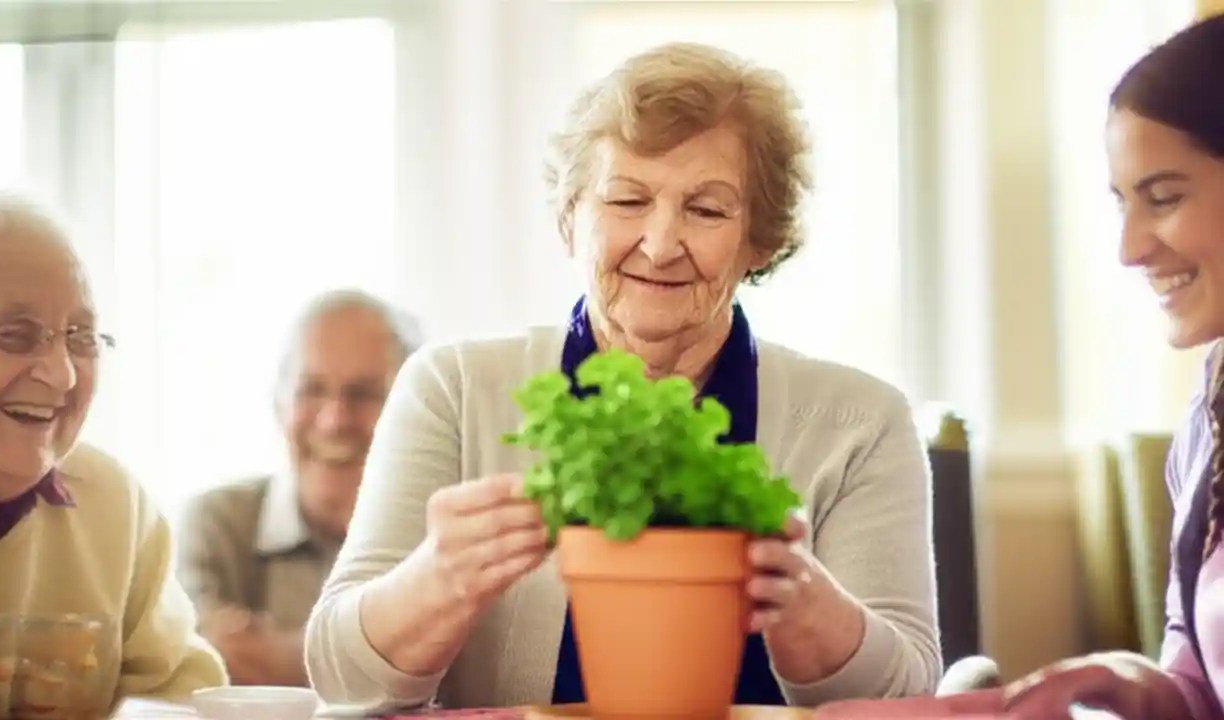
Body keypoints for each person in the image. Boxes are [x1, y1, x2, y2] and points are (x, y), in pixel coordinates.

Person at [305, 42, 941, 710]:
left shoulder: (863, 421)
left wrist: (812, 611)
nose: (661, 245)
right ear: (569, 217)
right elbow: (341, 680)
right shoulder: (451, 388)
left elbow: (909, 696)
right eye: (627, 200)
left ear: (760, 241)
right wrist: (437, 580)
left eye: (707, 210)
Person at [820, 14, 1224, 720]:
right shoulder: (1209, 416)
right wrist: (1117, 681)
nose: (1129, 248)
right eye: (1122, 203)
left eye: (1164, 198)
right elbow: (1196, 685)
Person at [0, 189, 226, 710]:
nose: (63, 373)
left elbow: (184, 696)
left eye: (80, 337)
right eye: (16, 334)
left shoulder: (114, 506)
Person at [178, 289, 419, 687]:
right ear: (279, 403)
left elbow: (456, 674)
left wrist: (280, 652)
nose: (333, 420)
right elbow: (205, 665)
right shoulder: (218, 522)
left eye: (363, 395)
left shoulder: (437, 533)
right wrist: (386, 653)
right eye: (311, 390)